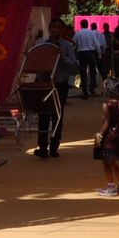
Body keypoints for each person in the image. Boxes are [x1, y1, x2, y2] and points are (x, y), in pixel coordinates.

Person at [35, 18, 78, 159]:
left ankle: (54, 146)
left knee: (58, 115)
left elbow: (73, 65)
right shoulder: (42, 44)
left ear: (63, 30)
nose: (56, 30)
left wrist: (61, 56)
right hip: (44, 83)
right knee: (43, 114)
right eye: (54, 27)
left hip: (60, 84)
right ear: (50, 28)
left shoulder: (67, 46)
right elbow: (35, 62)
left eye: (59, 27)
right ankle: (42, 147)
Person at [95, 77, 119, 196]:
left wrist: (99, 135)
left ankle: (111, 186)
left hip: (110, 136)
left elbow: (106, 122)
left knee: (107, 162)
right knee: (114, 162)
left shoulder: (106, 105)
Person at [73, 18, 100, 98]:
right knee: (92, 72)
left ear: (81, 25)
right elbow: (97, 44)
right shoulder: (91, 33)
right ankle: (92, 88)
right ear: (87, 25)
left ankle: (84, 91)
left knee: (83, 72)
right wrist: (99, 55)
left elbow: (73, 44)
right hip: (91, 53)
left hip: (82, 53)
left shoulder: (78, 33)